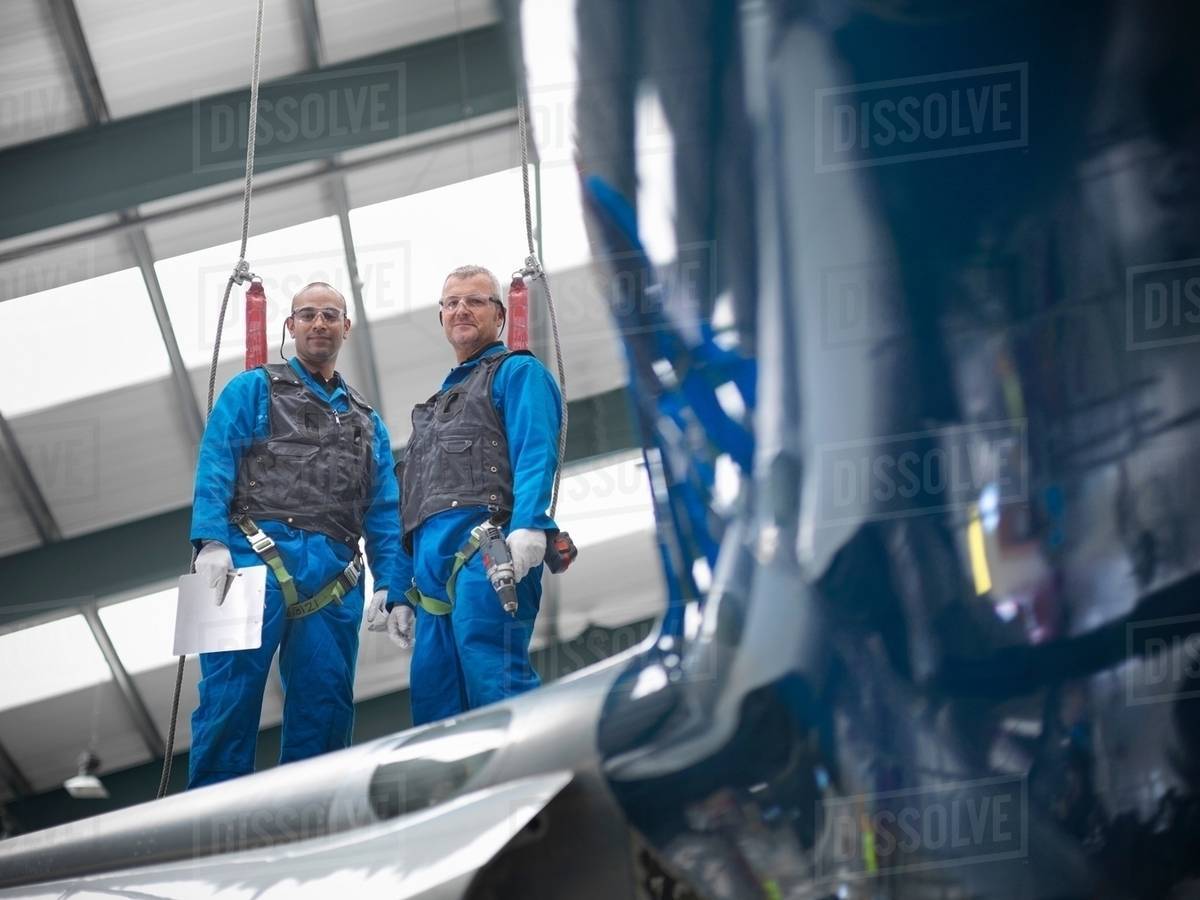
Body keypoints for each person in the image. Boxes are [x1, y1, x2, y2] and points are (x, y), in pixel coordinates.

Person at [188, 282, 401, 787]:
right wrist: (209, 541)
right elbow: (216, 459)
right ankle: (209, 830)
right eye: (307, 315)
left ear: (346, 328)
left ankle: (310, 828)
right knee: (226, 700)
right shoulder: (251, 388)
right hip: (244, 562)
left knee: (326, 710)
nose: (319, 323)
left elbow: (385, 510)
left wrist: (391, 580)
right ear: (290, 326)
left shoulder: (368, 423)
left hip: (336, 579)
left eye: (331, 315)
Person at [368, 264, 562, 725]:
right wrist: (398, 590)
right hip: (429, 586)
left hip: (489, 556)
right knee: (436, 718)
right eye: (452, 302)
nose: (461, 310)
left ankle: (527, 784)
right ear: (441, 318)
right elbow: (409, 508)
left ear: (499, 314)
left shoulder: (517, 372)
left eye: (474, 301)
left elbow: (536, 447)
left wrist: (530, 521)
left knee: (495, 683)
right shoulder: (430, 414)